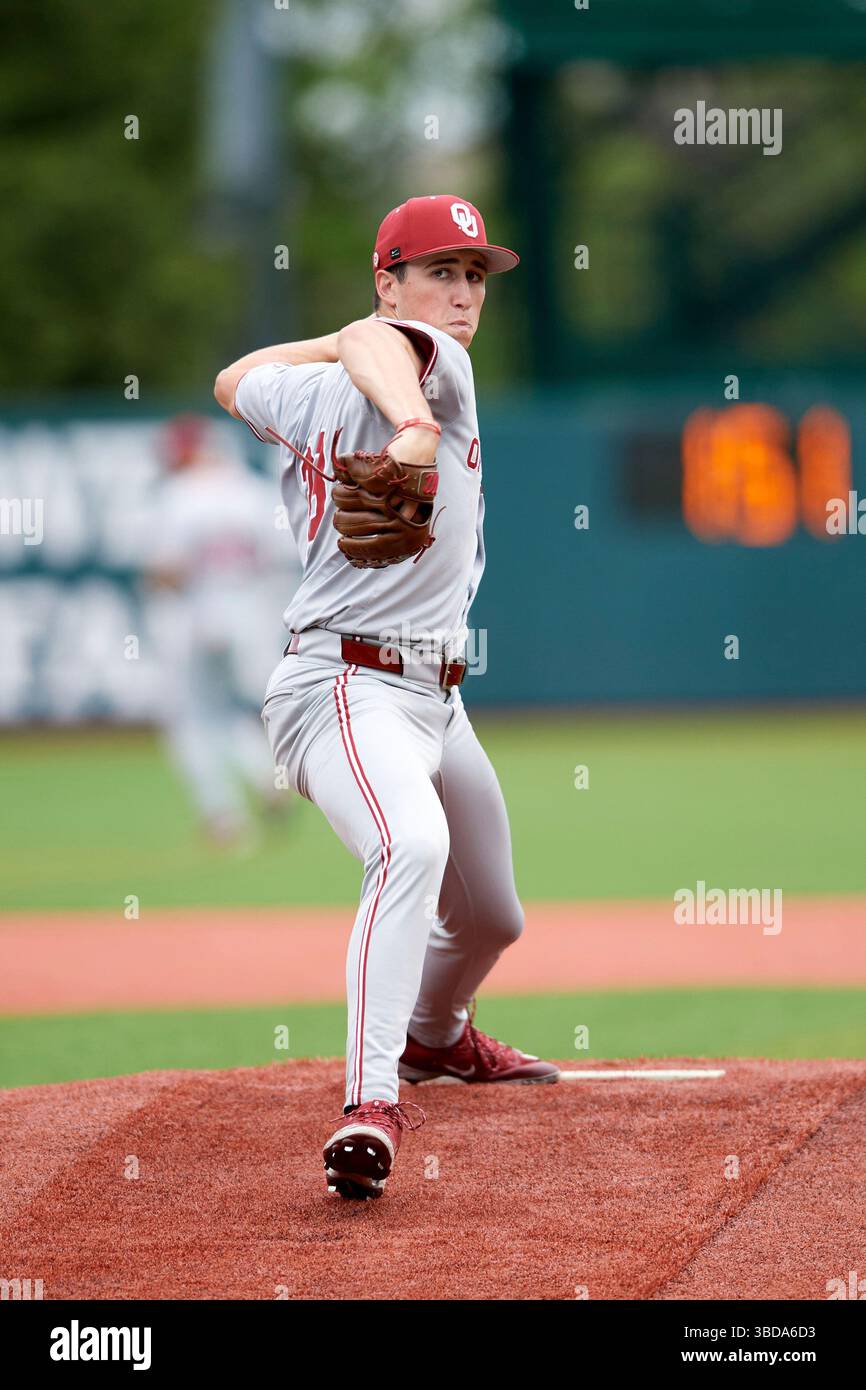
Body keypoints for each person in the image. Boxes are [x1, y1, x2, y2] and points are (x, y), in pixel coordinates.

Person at [214, 195, 559, 1201]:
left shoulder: (348, 383)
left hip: (433, 703)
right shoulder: (424, 372)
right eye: (439, 272)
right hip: (339, 686)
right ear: (388, 282)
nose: (462, 294)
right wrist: (406, 418)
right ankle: (371, 1103)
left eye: (474, 275)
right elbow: (361, 348)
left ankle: (436, 1037)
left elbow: (237, 380)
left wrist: (346, 351)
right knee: (409, 848)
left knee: (493, 916)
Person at [145, 413, 297, 848]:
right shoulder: (253, 490)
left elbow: (168, 570)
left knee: (190, 720)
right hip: (253, 615)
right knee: (231, 710)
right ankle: (268, 778)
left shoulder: (179, 495)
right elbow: (283, 559)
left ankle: (223, 818)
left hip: (199, 618)